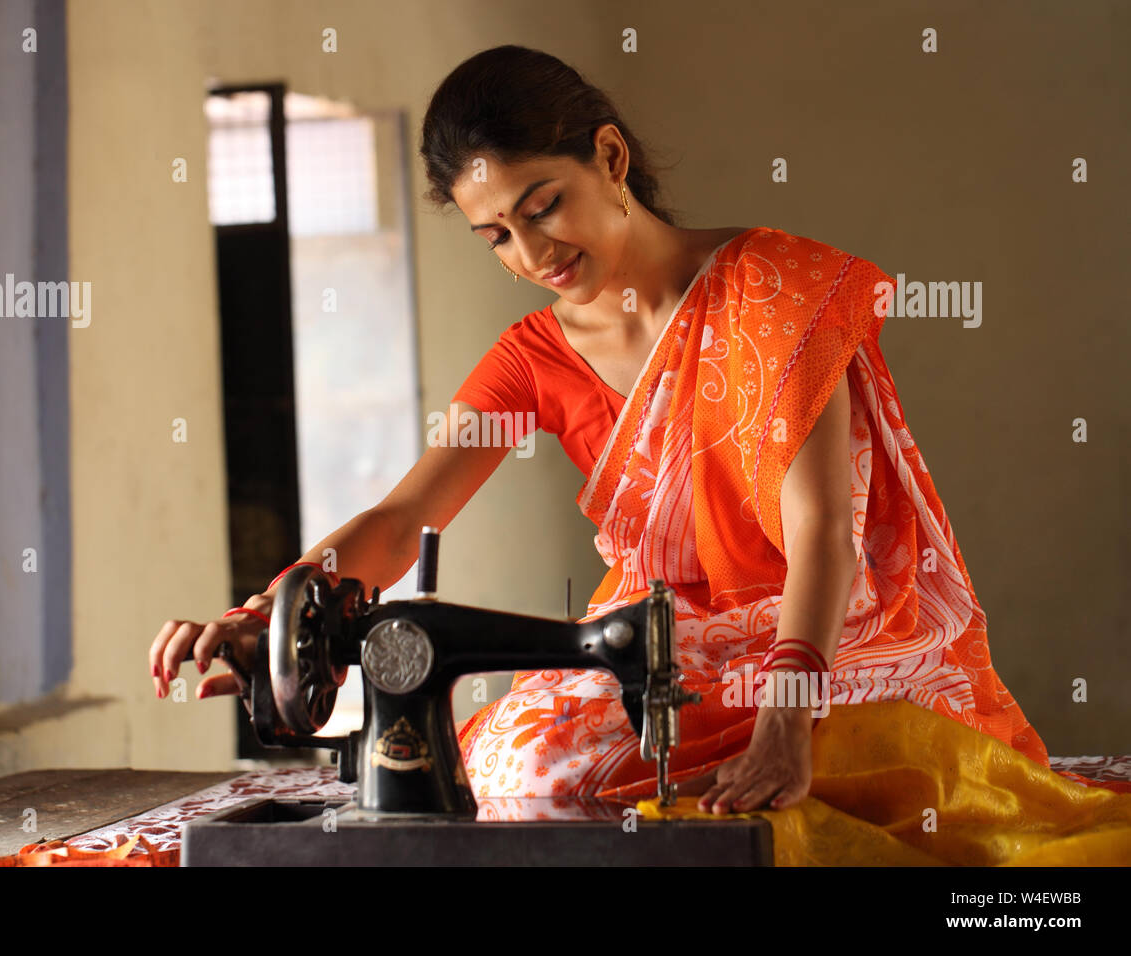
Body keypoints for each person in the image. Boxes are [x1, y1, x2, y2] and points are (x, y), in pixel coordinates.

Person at [148, 46, 1122, 830]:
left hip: (830, 634)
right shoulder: (532, 357)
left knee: (892, 783)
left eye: (542, 206)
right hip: (675, 649)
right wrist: (270, 614)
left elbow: (822, 526)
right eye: (495, 235)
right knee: (514, 762)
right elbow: (404, 517)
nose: (533, 254)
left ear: (608, 159)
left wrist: (784, 724)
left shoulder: (771, 288)